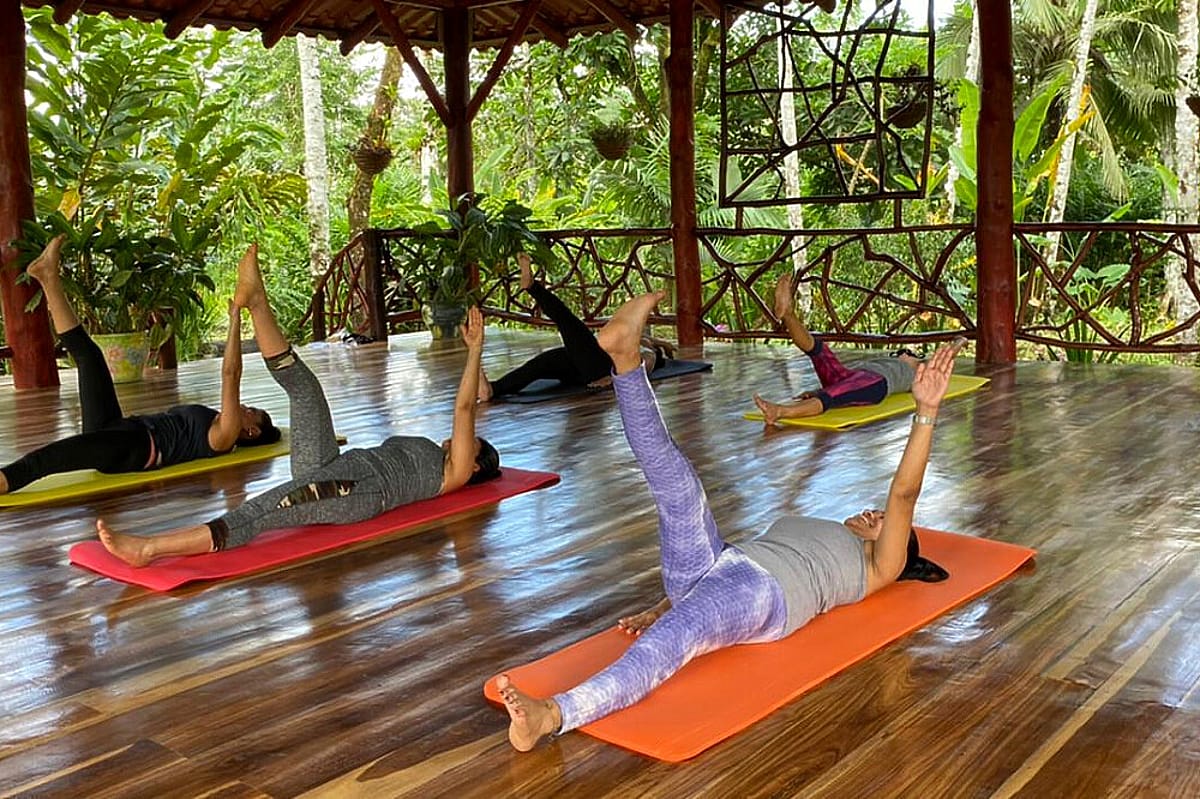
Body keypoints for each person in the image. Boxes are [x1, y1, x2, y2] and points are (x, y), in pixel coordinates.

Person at [495, 291, 959, 752]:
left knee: (670, 644)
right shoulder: (822, 528)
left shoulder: (881, 566)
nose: (874, 513)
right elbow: (725, 569)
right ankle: (625, 361)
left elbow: (903, 494)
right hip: (719, 565)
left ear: (895, 544)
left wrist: (927, 412)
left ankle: (552, 715)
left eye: (883, 522)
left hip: (765, 595)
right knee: (678, 484)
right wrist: (663, 605)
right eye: (877, 513)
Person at [94, 245, 500, 566]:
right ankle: (257, 302)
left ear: (476, 466)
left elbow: (464, 410)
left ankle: (150, 548)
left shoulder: (457, 472)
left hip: (356, 491)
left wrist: (475, 351)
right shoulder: (435, 454)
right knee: (306, 388)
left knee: (260, 511)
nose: (458, 440)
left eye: (471, 444)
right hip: (332, 463)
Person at [0, 237, 279, 496]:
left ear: (251, 432)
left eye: (251, 412)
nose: (246, 406)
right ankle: (48, 277)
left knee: (44, 461)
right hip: (120, 427)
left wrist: (235, 319)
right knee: (90, 356)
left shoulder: (224, 436)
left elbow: (231, 374)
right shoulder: (217, 422)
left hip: (131, 448)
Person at [476, 253, 675, 401]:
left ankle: (532, 287)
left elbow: (643, 367)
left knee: (568, 322)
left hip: (599, 368)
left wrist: (613, 379)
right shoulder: (643, 340)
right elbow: (647, 339)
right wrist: (662, 342)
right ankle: (493, 390)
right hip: (581, 365)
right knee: (542, 364)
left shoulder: (649, 353)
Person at [752, 273, 938, 426]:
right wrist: (817, 390)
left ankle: (780, 411)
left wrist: (951, 347)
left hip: (874, 385)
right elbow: (849, 384)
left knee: (831, 397)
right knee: (818, 349)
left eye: (909, 353)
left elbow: (940, 363)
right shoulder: (891, 362)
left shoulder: (916, 372)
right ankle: (788, 314)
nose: (904, 354)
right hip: (850, 375)